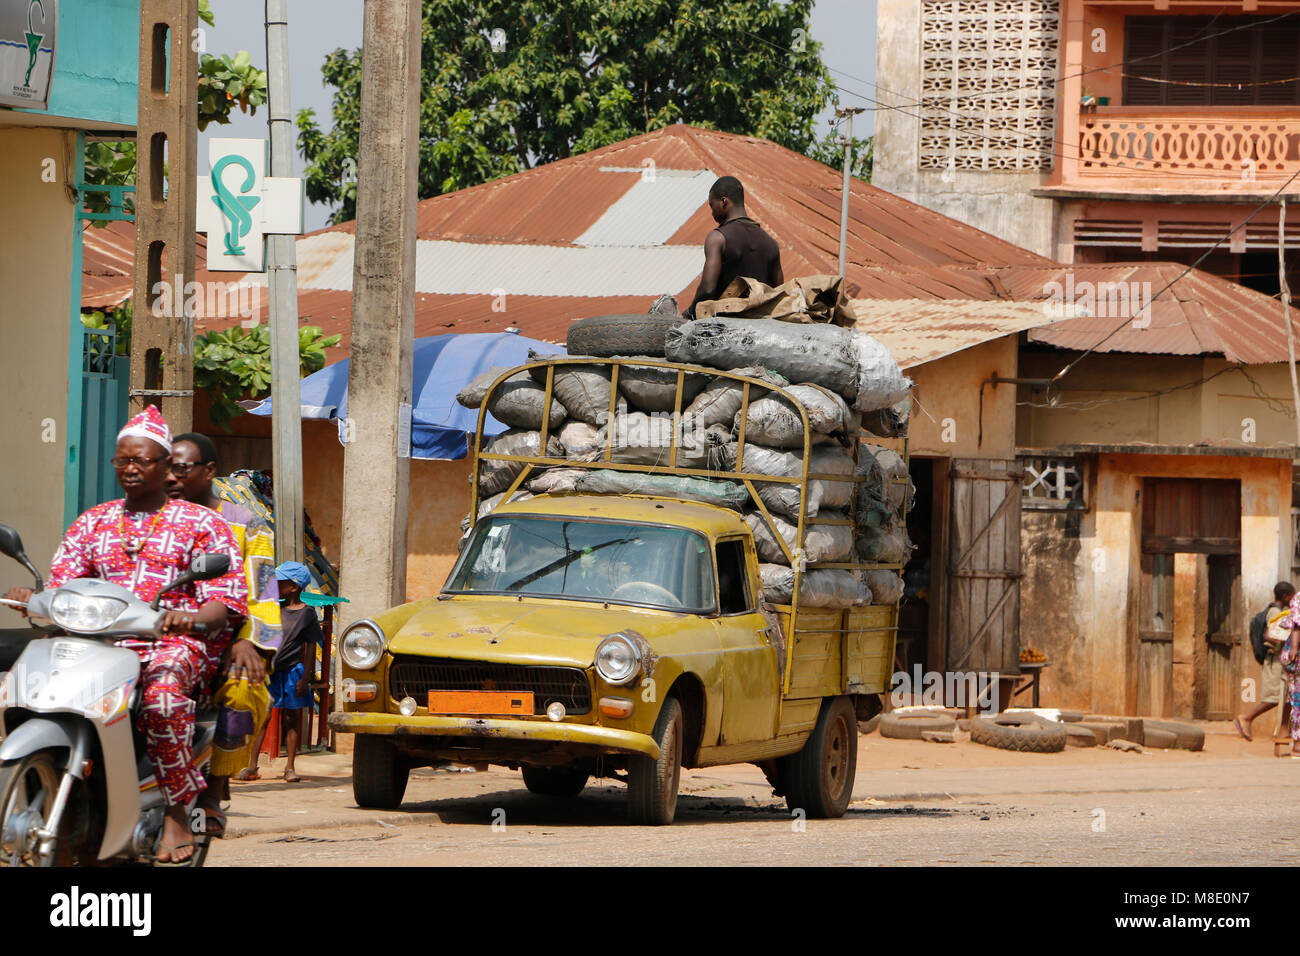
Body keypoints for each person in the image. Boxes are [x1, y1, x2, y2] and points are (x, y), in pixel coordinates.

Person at [5, 406, 247, 863]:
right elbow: (63, 583)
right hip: (93, 644)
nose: (131, 469)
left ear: (164, 465)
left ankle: (176, 812)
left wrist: (191, 617)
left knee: (163, 698)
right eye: (123, 461)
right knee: (21, 685)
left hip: (169, 643)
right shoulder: (92, 522)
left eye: (142, 461)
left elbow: (225, 601)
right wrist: (34, 596)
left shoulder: (203, 525)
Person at [166, 432, 282, 833]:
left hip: (226, 639)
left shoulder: (245, 523)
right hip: (159, 633)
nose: (172, 479)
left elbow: (264, 590)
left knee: (243, 688)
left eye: (181, 469)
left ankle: (213, 792)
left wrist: (249, 640)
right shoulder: (154, 518)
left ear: (209, 470)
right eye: (167, 469)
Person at [244, 562, 323, 783]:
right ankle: (251, 766)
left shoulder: (307, 614)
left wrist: (306, 677)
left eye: (281, 582)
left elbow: (310, 648)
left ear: (294, 587)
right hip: (271, 671)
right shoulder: (274, 609)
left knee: (291, 719)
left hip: (293, 673)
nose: (275, 584)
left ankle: (289, 767)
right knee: (263, 717)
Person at [684, 175, 783, 319]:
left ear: (724, 202)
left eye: (712, 206)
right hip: (761, 327)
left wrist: (690, 313)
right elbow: (778, 293)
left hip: (726, 327)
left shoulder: (718, 238)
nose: (712, 213)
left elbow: (708, 289)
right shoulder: (771, 243)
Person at [1234, 581, 1296, 741]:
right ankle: (1247, 718)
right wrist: (1287, 643)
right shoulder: (1275, 612)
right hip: (1275, 661)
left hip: (1281, 661)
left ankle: (1284, 731)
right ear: (1286, 596)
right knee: (1274, 697)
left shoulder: (1278, 611)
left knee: (1288, 697)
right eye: (1292, 596)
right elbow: (1269, 635)